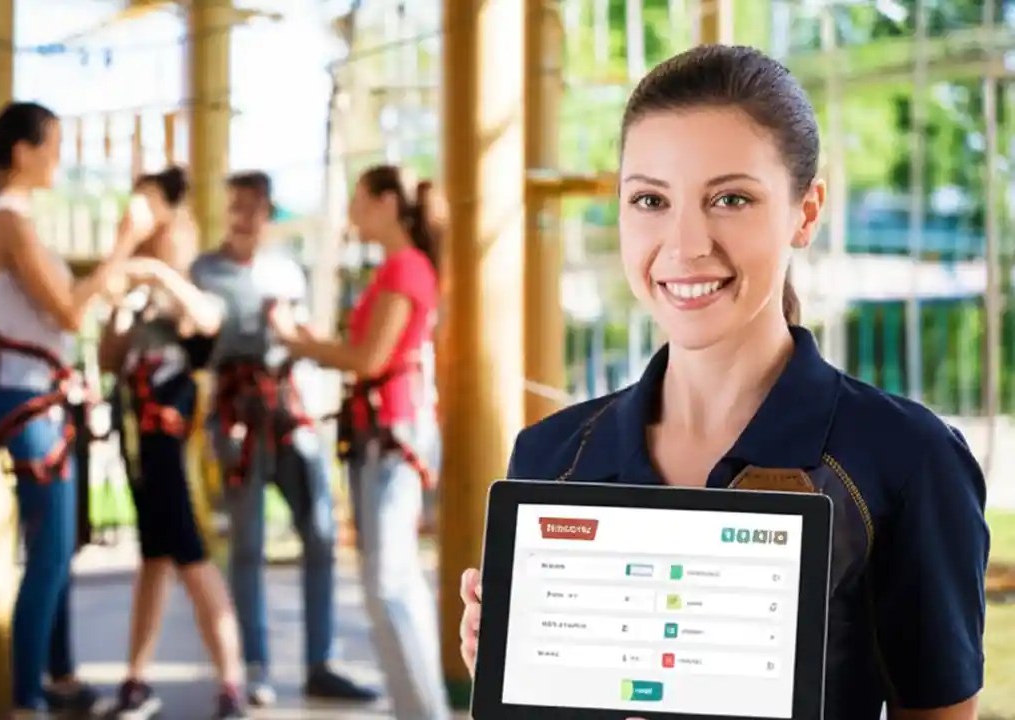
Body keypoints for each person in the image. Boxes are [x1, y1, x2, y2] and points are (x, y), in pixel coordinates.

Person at [457, 44, 989, 719]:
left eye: (730, 198)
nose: (685, 245)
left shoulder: (905, 459)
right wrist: (521, 671)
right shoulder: (551, 455)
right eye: (650, 199)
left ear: (807, 210)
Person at [128, 170, 376, 706]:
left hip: (287, 407)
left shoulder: (286, 271)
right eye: (235, 205)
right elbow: (188, 336)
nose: (243, 215)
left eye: (253, 206)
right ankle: (254, 666)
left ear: (266, 211)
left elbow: (300, 339)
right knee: (247, 543)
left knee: (321, 532)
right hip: (234, 414)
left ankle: (321, 660)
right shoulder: (203, 271)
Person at [0, 101, 157, 717]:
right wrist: (123, 246)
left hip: (40, 395)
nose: (58, 158)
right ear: (22, 151)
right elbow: (70, 314)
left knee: (57, 549)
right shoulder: (9, 223)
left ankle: (58, 678)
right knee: (48, 553)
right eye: (51, 145)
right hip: (30, 398)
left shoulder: (15, 221)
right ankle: (27, 698)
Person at [268, 165, 451, 719]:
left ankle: (424, 710)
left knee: (391, 582)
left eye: (358, 199)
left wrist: (297, 343)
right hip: (384, 430)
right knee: (388, 582)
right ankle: (416, 707)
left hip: (393, 432)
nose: (351, 210)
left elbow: (370, 359)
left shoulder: (404, 269)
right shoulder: (399, 268)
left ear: (386, 203)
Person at [98, 168, 248, 719]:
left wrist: (158, 273)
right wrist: (124, 291)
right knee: (156, 560)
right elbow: (107, 359)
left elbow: (206, 321)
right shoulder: (137, 302)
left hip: (177, 452)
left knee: (190, 558)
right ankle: (136, 680)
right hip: (141, 451)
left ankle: (231, 682)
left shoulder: (191, 297)